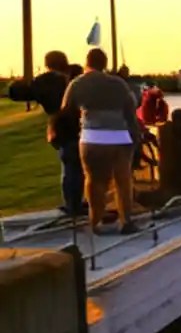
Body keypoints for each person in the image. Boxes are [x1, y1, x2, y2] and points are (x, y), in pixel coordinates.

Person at [61, 48, 142, 234]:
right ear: (105, 64)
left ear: (86, 63)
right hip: (120, 135)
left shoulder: (77, 83)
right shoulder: (118, 84)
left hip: (92, 136)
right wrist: (135, 136)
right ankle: (126, 221)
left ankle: (95, 221)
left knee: (94, 179)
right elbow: (131, 109)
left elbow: (65, 110)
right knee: (123, 180)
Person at [7, 51, 87, 215]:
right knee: (80, 167)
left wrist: (20, 82)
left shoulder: (45, 82)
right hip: (84, 126)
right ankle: (79, 201)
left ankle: (73, 205)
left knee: (70, 167)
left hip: (62, 128)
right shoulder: (77, 76)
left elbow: (16, 93)